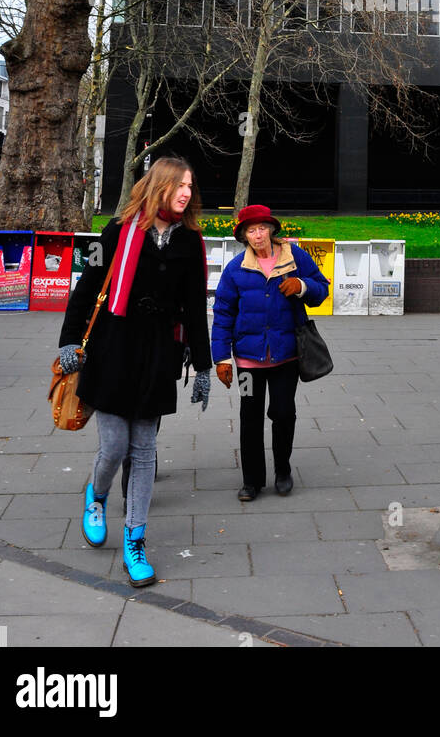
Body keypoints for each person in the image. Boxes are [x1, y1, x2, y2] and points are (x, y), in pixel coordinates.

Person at [57, 156, 211, 587]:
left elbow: (196, 309)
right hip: (112, 348)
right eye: (179, 184)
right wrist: (70, 341)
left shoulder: (192, 243)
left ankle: (135, 539)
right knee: (114, 446)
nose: (186, 192)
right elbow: (86, 286)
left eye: (189, 185)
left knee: (144, 450)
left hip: (160, 354)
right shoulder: (117, 230)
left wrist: (202, 366)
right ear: (159, 185)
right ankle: (97, 493)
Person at [212, 204, 329, 501]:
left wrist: (302, 285)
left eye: (262, 227)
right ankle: (251, 481)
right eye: (251, 230)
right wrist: (222, 358)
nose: (258, 234)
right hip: (248, 362)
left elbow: (322, 290)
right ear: (243, 235)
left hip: (286, 358)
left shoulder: (295, 257)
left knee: (283, 413)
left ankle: (283, 471)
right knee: (249, 416)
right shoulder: (235, 268)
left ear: (272, 229)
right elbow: (223, 313)